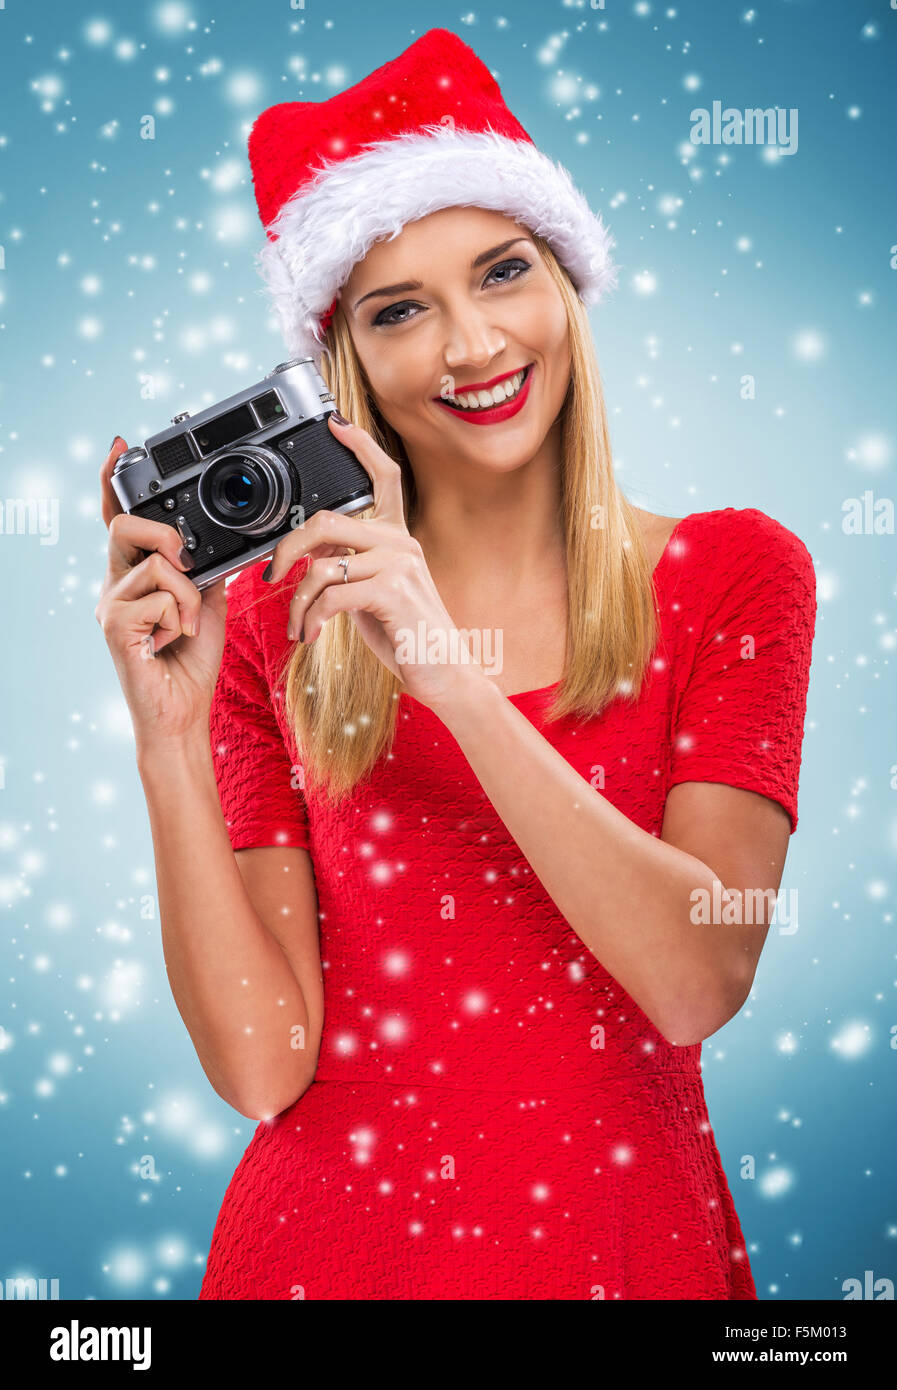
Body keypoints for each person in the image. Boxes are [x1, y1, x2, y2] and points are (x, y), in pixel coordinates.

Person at [95, 29, 816, 1300]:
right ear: (346, 366)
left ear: (568, 281)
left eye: (503, 273)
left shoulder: (734, 575)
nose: (473, 345)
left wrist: (450, 677)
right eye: (399, 311)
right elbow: (266, 1067)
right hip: (318, 1259)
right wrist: (168, 736)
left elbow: (699, 978)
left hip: (625, 1250)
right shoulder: (274, 627)